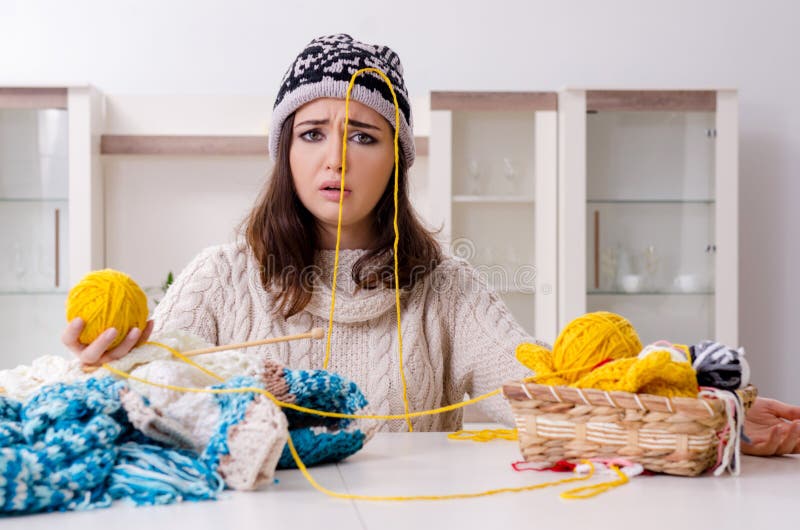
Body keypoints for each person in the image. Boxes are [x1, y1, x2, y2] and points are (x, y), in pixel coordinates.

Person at [62, 34, 800, 453]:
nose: (337, 158)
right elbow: (155, 398)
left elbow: (548, 395)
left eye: (363, 135)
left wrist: (706, 407)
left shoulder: (446, 289)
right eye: (313, 134)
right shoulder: (223, 277)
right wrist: (105, 376)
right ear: (284, 152)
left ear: (399, 157)